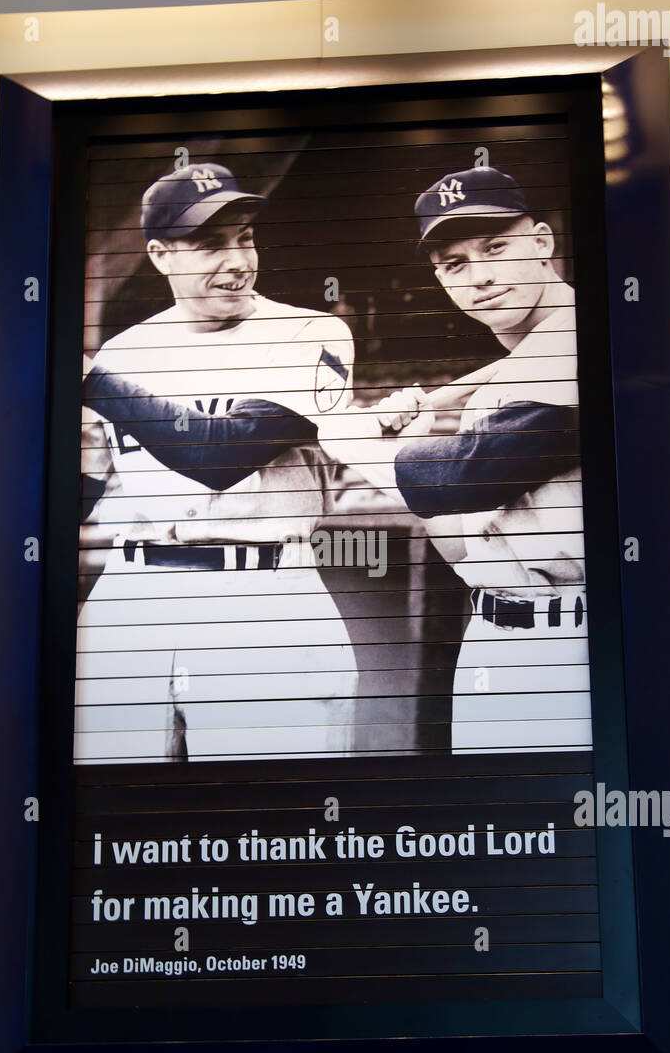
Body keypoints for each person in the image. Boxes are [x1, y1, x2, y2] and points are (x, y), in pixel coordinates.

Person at [76, 161, 360, 763]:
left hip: (261, 597)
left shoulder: (311, 334)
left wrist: (92, 384)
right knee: (111, 814)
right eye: (209, 244)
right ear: (160, 255)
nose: (237, 260)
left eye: (245, 238)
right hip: (131, 598)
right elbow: (80, 486)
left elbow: (221, 455)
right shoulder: (124, 351)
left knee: (267, 821)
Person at [317, 166, 592, 754]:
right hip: (498, 637)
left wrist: (359, 443)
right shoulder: (511, 377)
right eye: (455, 264)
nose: (482, 276)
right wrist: (417, 447)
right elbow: (463, 547)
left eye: (497, 246)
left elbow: (469, 475)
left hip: (583, 649)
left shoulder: (588, 340)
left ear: (542, 242)